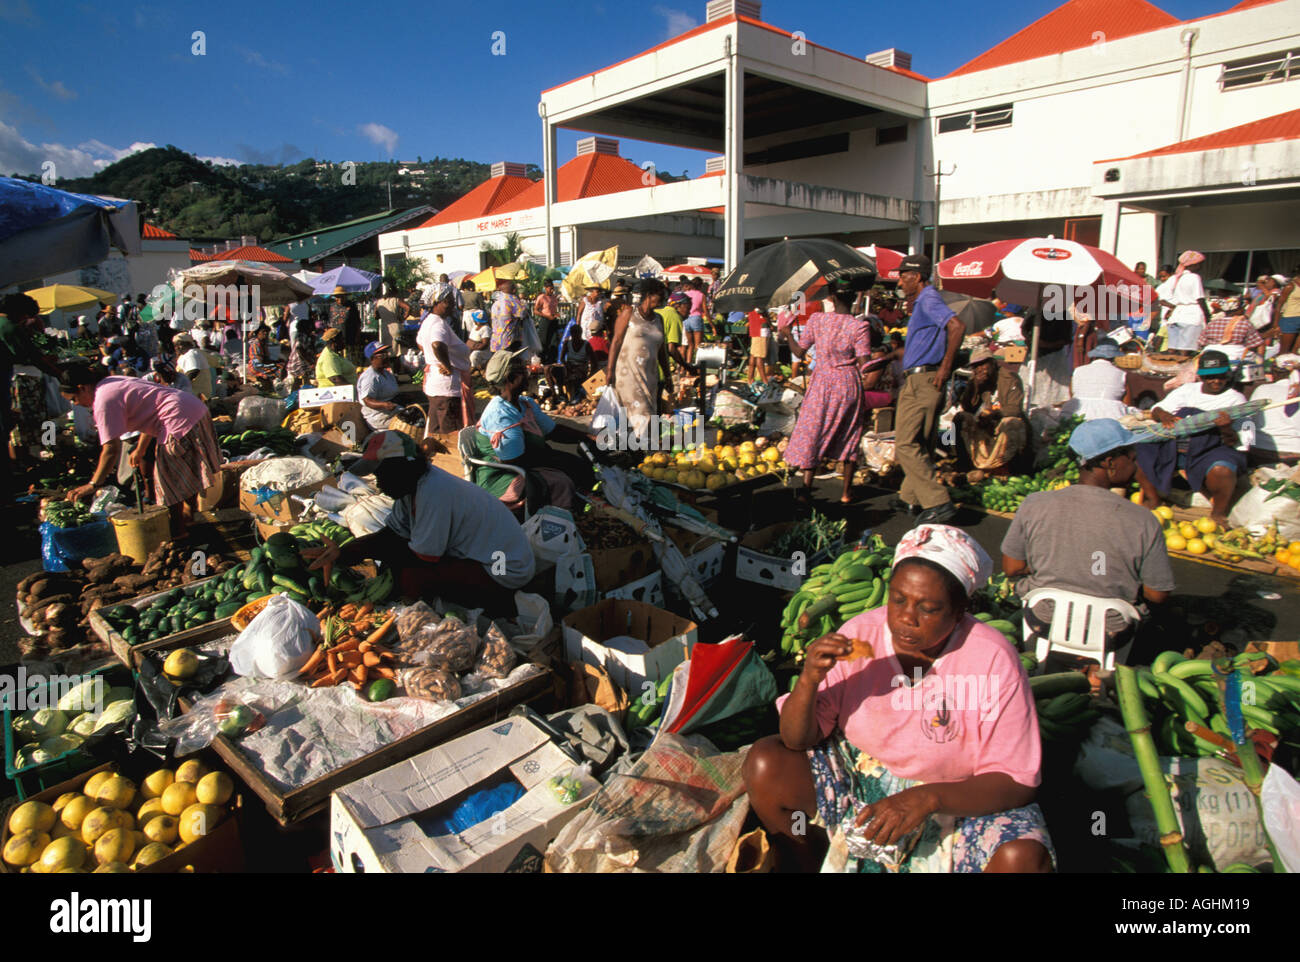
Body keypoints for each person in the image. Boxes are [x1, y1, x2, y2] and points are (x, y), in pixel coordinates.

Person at [743, 524, 1052, 874]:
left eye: (929, 608)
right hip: (861, 780)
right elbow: (797, 739)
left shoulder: (992, 658)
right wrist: (810, 679)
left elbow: (1017, 781)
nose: (906, 618)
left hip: (956, 798)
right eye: (899, 599)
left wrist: (928, 797)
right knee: (767, 763)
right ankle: (810, 863)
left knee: (1023, 859)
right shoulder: (862, 635)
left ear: (961, 607)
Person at [1002, 418, 1174, 660]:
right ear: (1109, 462)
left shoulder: (1035, 503)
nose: (1136, 466)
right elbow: (1158, 595)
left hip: (1043, 619)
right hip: (1112, 631)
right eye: (1132, 459)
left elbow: (1012, 568)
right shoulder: (1144, 520)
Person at [304, 456, 535, 614]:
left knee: (410, 578)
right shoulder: (410, 488)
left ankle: (495, 606)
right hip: (481, 556)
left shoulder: (434, 493)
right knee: (393, 565)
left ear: (402, 471)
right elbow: (391, 535)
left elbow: (423, 555)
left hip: (503, 569)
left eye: (383, 476)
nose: (380, 485)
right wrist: (342, 553)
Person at [60, 364, 221, 536]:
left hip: (177, 416)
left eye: (73, 400)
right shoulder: (112, 382)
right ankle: (189, 517)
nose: (77, 404)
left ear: (82, 388)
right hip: (192, 408)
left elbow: (110, 449)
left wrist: (93, 485)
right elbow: (151, 409)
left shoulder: (102, 399)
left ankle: (178, 532)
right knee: (184, 473)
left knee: (168, 483)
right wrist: (140, 449)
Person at [779, 281, 888, 503]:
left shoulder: (817, 320)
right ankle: (847, 493)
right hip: (848, 383)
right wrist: (890, 356)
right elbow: (865, 365)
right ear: (854, 298)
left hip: (822, 382)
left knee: (814, 430)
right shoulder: (859, 327)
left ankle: (806, 488)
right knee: (850, 433)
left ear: (832, 297)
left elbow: (799, 352)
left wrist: (787, 332)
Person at [1135, 350, 1248, 528]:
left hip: (1211, 449)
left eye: (1221, 376)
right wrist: (1164, 415)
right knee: (1142, 450)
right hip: (1175, 445)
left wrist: (1225, 428)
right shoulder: (1187, 390)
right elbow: (1158, 409)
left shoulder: (1236, 399)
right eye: (1210, 377)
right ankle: (1153, 500)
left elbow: (1239, 442)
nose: (1216, 381)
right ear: (1201, 377)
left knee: (1222, 470)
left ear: (1228, 375)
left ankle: (1218, 513)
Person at [475, 348, 595, 513]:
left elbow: (553, 431)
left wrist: (588, 436)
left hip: (528, 461)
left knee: (579, 466)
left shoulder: (524, 403)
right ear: (511, 379)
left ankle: (578, 513)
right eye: (523, 370)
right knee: (562, 480)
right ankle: (554, 522)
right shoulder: (500, 416)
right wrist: (553, 460)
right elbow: (513, 459)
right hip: (505, 475)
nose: (529, 373)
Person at [894, 254, 964, 524]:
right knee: (921, 441)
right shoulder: (922, 301)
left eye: (903, 276)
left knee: (906, 443)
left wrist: (946, 367)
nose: (900, 281)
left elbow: (957, 326)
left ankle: (938, 501)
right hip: (921, 377)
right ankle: (910, 497)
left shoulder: (928, 298)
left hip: (924, 379)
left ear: (918, 277)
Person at [0, 294, 61, 500]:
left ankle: (21, 466)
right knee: (33, 422)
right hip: (23, 381)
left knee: (17, 426)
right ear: (19, 313)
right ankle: (33, 464)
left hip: (15, 380)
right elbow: (33, 356)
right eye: (26, 317)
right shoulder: (10, 327)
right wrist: (59, 373)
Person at [607, 280, 670, 441]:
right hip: (628, 375)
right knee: (640, 415)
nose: (662, 300)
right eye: (660, 296)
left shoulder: (659, 320)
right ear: (649, 295)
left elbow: (663, 351)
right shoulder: (629, 313)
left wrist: (668, 376)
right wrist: (609, 371)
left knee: (649, 413)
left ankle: (638, 454)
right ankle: (640, 452)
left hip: (650, 377)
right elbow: (616, 341)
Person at [954, 345, 1027, 480]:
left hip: (1003, 425)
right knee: (961, 418)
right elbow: (967, 408)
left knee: (1012, 423)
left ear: (993, 363)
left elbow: (1015, 409)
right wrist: (974, 386)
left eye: (983, 364)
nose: (980, 369)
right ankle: (966, 466)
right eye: (976, 366)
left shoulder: (1009, 378)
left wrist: (995, 414)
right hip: (986, 426)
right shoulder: (978, 381)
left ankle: (1006, 469)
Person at [417, 290, 472, 436]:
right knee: (449, 429)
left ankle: (435, 456)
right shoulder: (438, 324)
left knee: (436, 425)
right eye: (450, 301)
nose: (453, 305)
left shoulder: (429, 321)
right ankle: (447, 456)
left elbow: (421, 343)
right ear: (440, 303)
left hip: (436, 381)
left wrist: (433, 359)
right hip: (445, 384)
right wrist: (446, 364)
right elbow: (437, 345)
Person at [1154, 251, 1209, 352]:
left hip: (1176, 316)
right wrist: (1207, 315)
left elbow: (1162, 298)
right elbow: (1200, 298)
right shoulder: (1194, 277)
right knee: (1186, 349)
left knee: (1172, 348)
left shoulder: (1176, 278)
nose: (1201, 267)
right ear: (1194, 264)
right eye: (1200, 264)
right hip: (1191, 316)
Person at [1060, 342, 1130, 421]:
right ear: (1113, 357)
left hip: (1076, 411)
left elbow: (1072, 393)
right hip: (1109, 414)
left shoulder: (1078, 370)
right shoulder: (1121, 373)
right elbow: (1127, 401)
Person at [1249, 372, 1300, 465]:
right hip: (1295, 451)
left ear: (1274, 374)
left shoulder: (1262, 389)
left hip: (1261, 449)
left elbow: (1250, 419)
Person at [355, 342, 403, 432]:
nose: (387, 357)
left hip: (390, 411)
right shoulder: (370, 377)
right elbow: (367, 400)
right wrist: (384, 405)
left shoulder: (386, 373)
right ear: (372, 359)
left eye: (387, 354)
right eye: (382, 355)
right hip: (378, 416)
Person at [1197, 301, 1265, 354]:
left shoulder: (1211, 324)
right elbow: (1258, 344)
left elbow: (1201, 343)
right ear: (1239, 310)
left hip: (1211, 354)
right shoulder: (1244, 323)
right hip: (1236, 355)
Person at [490, 278, 524, 352]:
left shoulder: (497, 301)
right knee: (510, 361)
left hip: (496, 340)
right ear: (514, 290)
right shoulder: (513, 300)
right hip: (509, 340)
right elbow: (523, 315)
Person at [374, 286, 410, 351]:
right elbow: (408, 307)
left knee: (388, 350)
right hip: (396, 326)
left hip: (385, 328)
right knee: (398, 351)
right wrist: (403, 318)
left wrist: (383, 315)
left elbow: (376, 316)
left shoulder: (378, 302)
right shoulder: (396, 300)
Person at [285, 319, 316, 391]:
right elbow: (299, 349)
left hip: (301, 363)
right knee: (303, 379)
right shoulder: (301, 336)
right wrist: (309, 362)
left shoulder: (306, 336)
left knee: (300, 381)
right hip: (299, 363)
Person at [532, 279, 560, 358]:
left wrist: (556, 314)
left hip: (553, 320)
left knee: (554, 340)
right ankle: (542, 358)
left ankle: (552, 359)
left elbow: (553, 309)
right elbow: (535, 311)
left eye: (552, 288)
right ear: (545, 288)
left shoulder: (554, 297)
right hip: (545, 320)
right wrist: (547, 316)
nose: (552, 290)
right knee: (543, 341)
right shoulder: (542, 297)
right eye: (550, 288)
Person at [1277, 267, 1300, 355]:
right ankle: (1277, 368)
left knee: (1295, 352)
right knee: (1284, 351)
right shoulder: (1290, 286)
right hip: (1290, 319)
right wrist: (1276, 325)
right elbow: (1279, 305)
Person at [745, 307, 771, 383]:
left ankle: (750, 379)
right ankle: (765, 381)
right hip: (760, 330)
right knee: (760, 357)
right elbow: (763, 313)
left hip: (754, 329)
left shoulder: (750, 303)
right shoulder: (759, 302)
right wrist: (770, 324)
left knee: (753, 355)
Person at [464, 308, 493, 374]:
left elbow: (485, 344)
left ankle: (475, 368)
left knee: (474, 355)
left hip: (482, 352)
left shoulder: (486, 329)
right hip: (472, 348)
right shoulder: (475, 327)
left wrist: (473, 349)